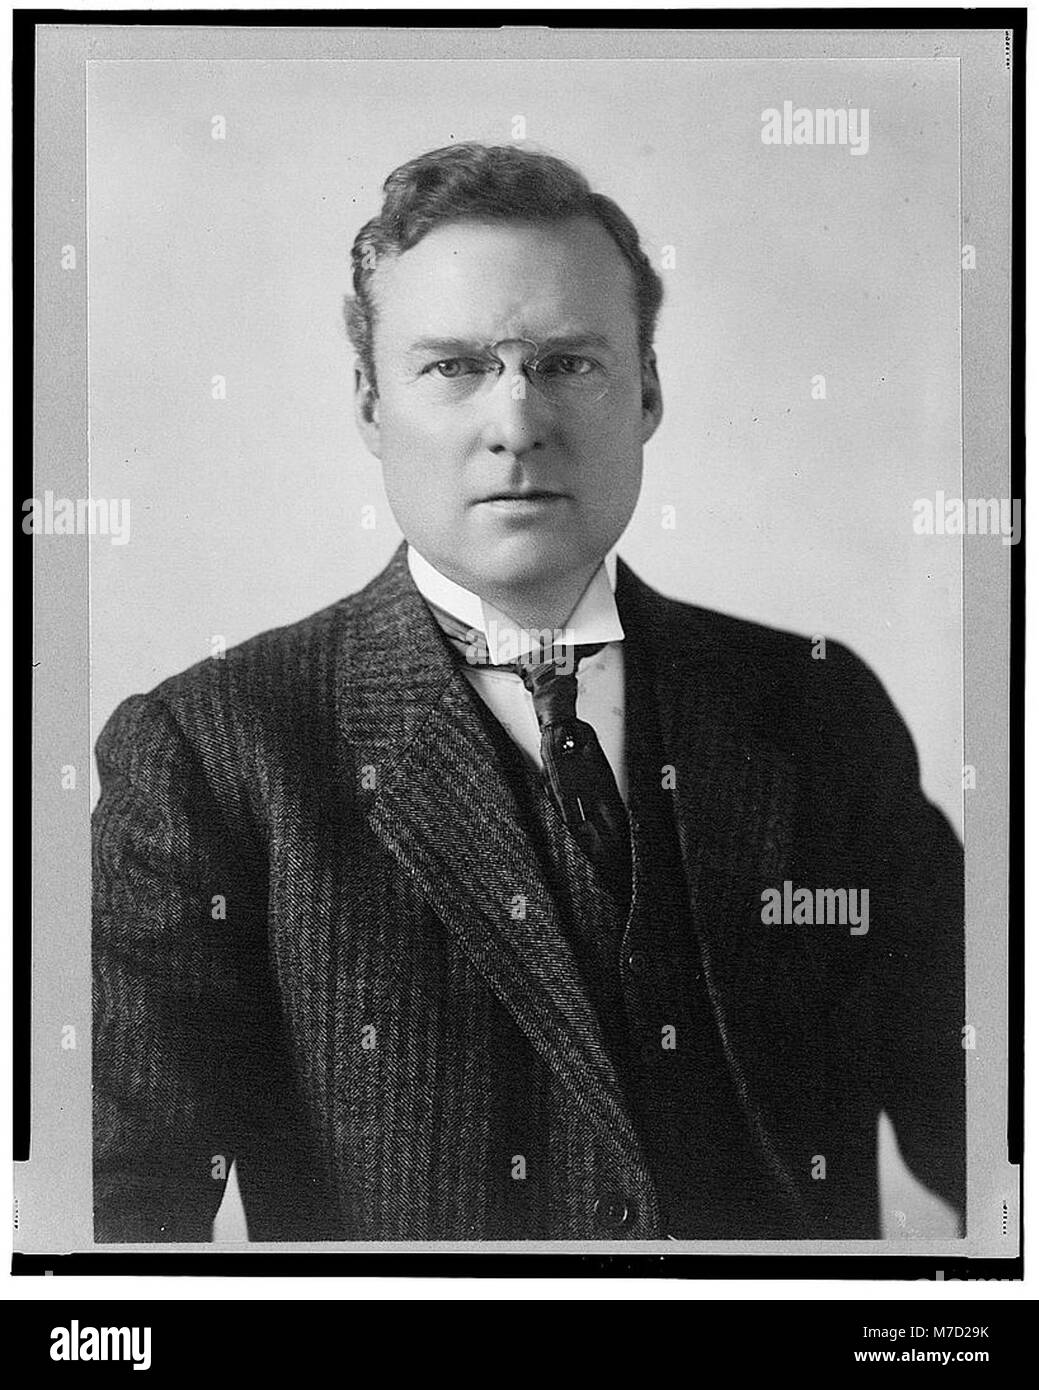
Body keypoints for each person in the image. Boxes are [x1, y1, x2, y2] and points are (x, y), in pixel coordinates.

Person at [92, 142, 965, 1242]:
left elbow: (985, 1108)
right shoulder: (213, 753)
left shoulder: (815, 712)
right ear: (369, 404)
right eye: (453, 366)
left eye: (566, 364)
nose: (515, 421)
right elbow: (117, 1224)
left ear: (646, 388)